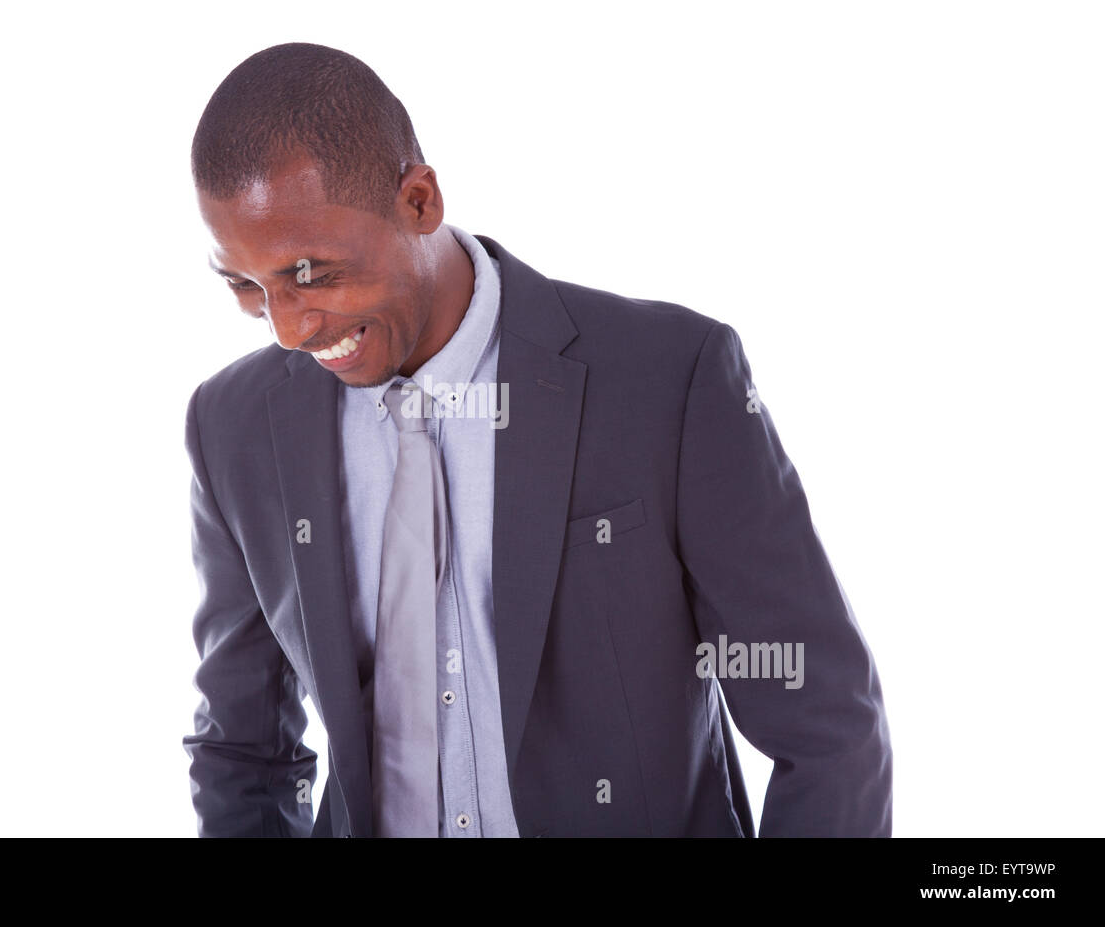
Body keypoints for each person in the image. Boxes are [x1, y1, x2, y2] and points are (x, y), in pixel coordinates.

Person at [182, 42, 892, 837]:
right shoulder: (233, 428)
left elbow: (826, 728)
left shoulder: (667, 380)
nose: (287, 328)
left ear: (419, 202)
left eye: (310, 272)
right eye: (246, 285)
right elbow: (242, 752)